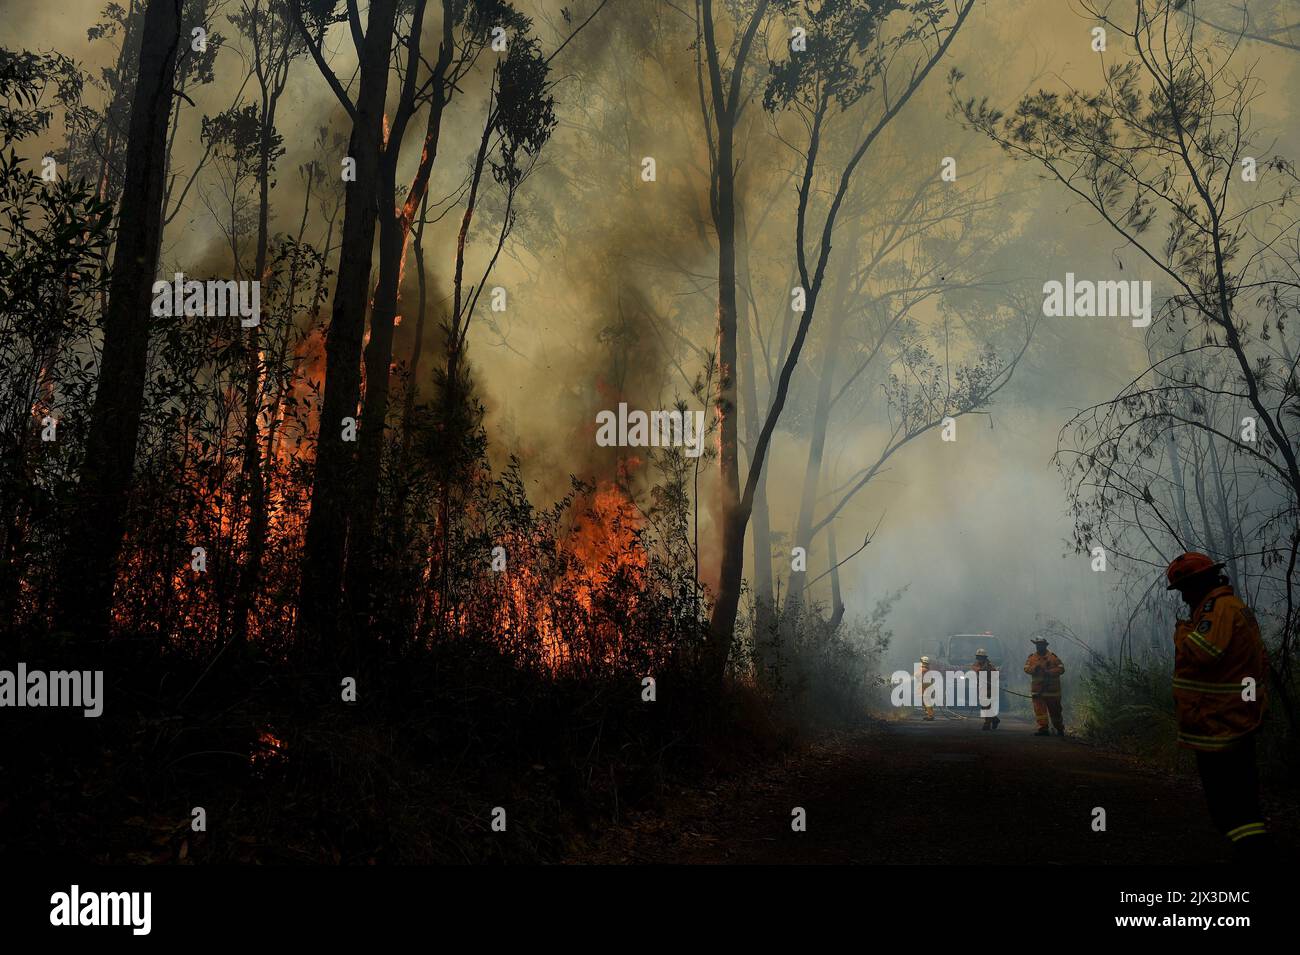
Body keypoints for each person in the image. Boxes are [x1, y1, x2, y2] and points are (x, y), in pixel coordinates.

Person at [1165, 551, 1272, 859]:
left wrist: (1182, 631)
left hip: (1221, 727)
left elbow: (1203, 652)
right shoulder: (1230, 607)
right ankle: (1254, 853)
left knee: (1231, 809)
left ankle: (1257, 856)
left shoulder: (1217, 609)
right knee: (1239, 807)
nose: (1184, 597)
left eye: (1185, 589)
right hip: (1228, 723)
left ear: (1200, 584)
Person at [1024, 637, 1065, 736]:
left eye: (1041, 645)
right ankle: (1043, 728)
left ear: (1045, 645)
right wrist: (1034, 668)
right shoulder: (1032, 658)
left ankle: (1059, 728)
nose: (1039, 646)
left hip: (1052, 692)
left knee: (1055, 711)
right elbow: (1026, 668)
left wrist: (1050, 672)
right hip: (1038, 691)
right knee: (1040, 711)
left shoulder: (1053, 657)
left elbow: (1062, 669)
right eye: (1038, 645)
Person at [972, 648, 1000, 730]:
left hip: (990, 689)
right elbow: (975, 669)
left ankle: (987, 724)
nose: (979, 659)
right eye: (978, 657)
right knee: (984, 706)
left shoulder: (990, 666)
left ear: (985, 658)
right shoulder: (977, 664)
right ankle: (995, 719)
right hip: (981, 689)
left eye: (981, 657)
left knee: (987, 706)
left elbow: (996, 675)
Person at [919, 655, 936, 720]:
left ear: (923, 662)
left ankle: (930, 716)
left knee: (927, 701)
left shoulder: (924, 669)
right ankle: (929, 714)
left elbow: (917, 675)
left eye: (921, 662)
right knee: (926, 701)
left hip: (926, 687)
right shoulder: (928, 669)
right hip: (927, 686)